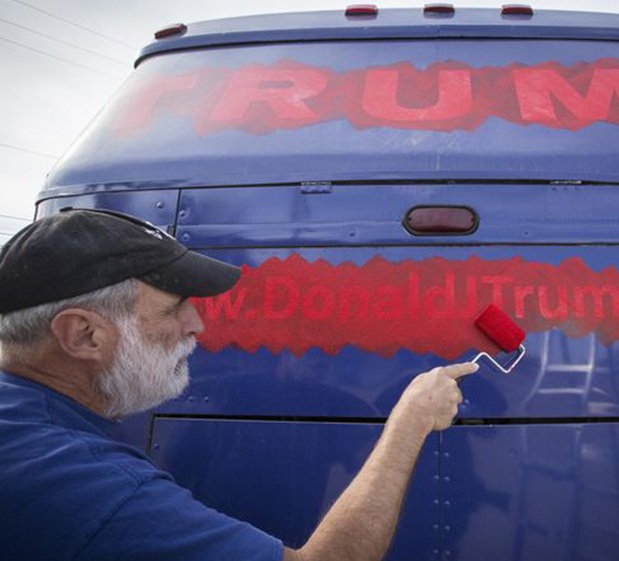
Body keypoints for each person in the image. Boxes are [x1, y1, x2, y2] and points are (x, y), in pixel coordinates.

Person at [0, 208, 477, 561]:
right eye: (173, 307)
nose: (197, 326)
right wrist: (410, 421)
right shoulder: (81, 486)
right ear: (84, 334)